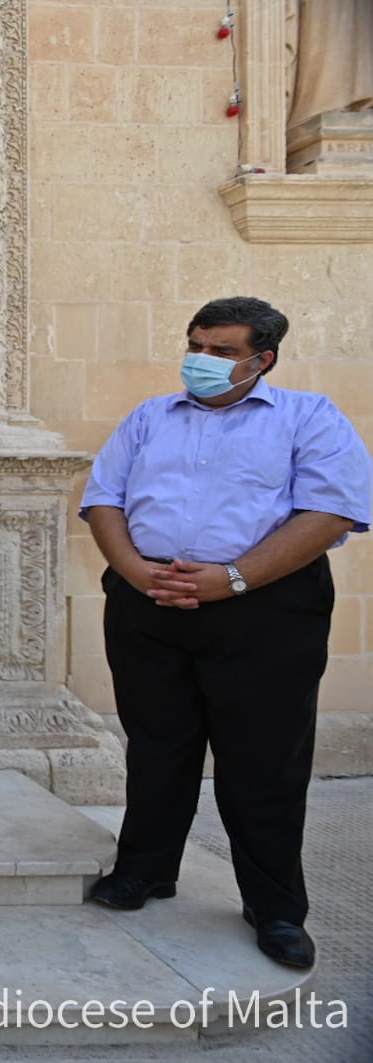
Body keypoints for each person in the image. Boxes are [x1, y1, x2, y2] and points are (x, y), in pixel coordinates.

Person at [80, 296, 371, 969]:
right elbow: (103, 499)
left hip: (264, 611)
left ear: (261, 358)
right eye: (196, 346)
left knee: (263, 761)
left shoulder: (310, 419)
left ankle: (275, 908)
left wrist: (232, 579)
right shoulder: (149, 418)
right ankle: (145, 871)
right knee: (156, 747)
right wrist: (137, 573)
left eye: (221, 351)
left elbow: (329, 512)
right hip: (149, 603)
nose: (202, 361)